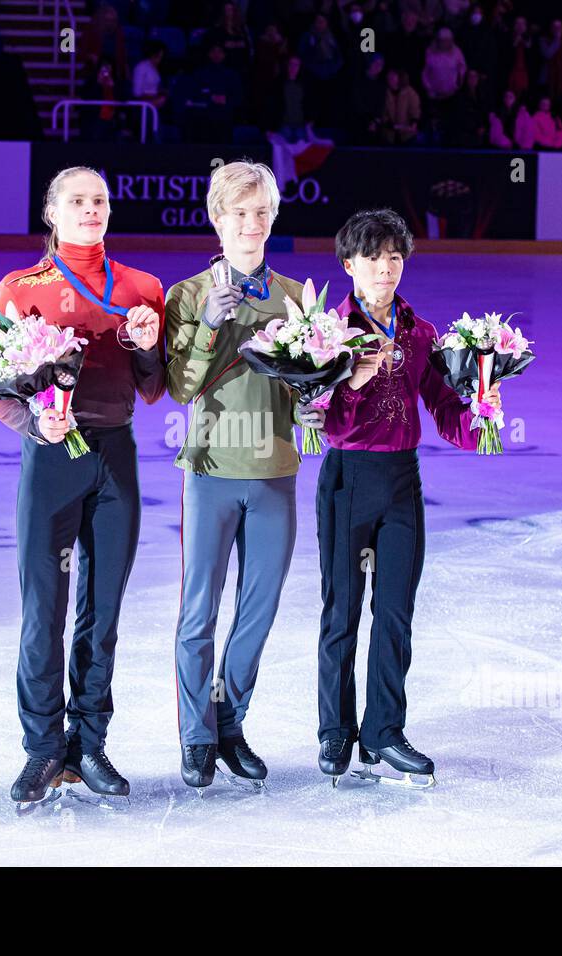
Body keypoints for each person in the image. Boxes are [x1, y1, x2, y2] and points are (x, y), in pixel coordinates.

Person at [0, 167, 166, 806]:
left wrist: (146, 347)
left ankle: (89, 744)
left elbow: (151, 386)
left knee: (103, 610)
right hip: (51, 460)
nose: (91, 210)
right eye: (77, 201)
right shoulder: (19, 288)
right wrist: (37, 420)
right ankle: (43, 750)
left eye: (100, 201)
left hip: (115, 459)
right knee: (44, 612)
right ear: (52, 214)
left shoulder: (142, 288)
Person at [316, 209, 500, 785]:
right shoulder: (326, 332)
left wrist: (481, 416)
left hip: (401, 483)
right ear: (349, 265)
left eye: (395, 256)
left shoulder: (421, 334)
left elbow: (446, 410)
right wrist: (351, 383)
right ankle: (334, 730)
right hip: (347, 480)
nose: (385, 267)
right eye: (372, 257)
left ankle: (384, 732)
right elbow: (320, 422)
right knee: (341, 613)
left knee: (394, 612)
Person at [164, 161, 320, 791]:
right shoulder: (186, 295)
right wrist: (207, 325)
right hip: (210, 469)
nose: (252, 224)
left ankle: (231, 721)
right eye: (240, 212)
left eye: (262, 213)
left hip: (275, 469)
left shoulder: (294, 298)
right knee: (199, 611)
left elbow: (309, 386)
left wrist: (316, 399)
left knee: (258, 611)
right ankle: (197, 735)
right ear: (216, 217)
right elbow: (179, 388)